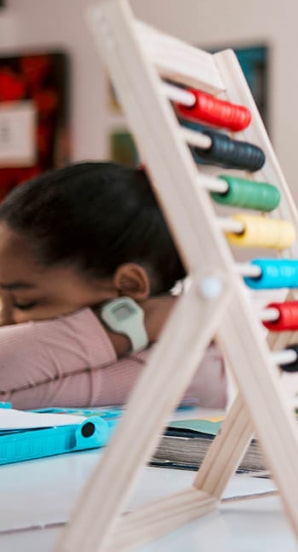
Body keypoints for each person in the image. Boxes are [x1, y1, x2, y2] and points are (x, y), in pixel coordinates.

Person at [0, 162, 224, 410]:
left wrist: (122, 327)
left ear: (128, 285)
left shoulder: (195, 366)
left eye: (24, 302)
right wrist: (138, 327)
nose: (4, 321)